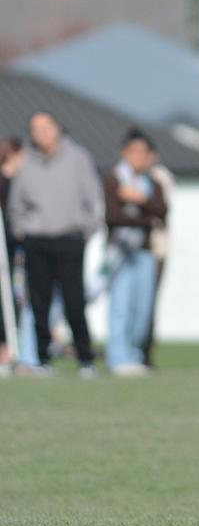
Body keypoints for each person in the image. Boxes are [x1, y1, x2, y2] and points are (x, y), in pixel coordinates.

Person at [6, 112, 103, 377]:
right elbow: (15, 205)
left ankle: (85, 359)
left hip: (70, 239)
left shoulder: (78, 158)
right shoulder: (26, 163)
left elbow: (93, 200)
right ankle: (41, 358)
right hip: (36, 241)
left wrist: (86, 230)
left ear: (58, 128)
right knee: (39, 303)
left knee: (74, 302)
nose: (43, 133)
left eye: (47, 127)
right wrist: (22, 231)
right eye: (36, 129)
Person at [102, 129, 168, 377]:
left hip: (144, 251)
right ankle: (118, 356)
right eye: (133, 152)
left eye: (143, 152)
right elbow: (112, 216)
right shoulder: (113, 178)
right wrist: (146, 219)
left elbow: (161, 213)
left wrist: (140, 200)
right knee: (121, 304)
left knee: (142, 307)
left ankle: (134, 355)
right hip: (119, 251)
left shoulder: (153, 183)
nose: (138, 157)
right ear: (124, 153)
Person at [141, 148, 174, 368]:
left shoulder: (159, 178)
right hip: (131, 249)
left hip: (156, 250)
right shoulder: (125, 175)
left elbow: (161, 210)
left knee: (148, 304)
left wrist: (139, 198)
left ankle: (146, 352)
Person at [0, 136, 24, 375]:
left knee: (15, 300)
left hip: (15, 251)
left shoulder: (19, 182)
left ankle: (13, 347)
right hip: (3, 251)